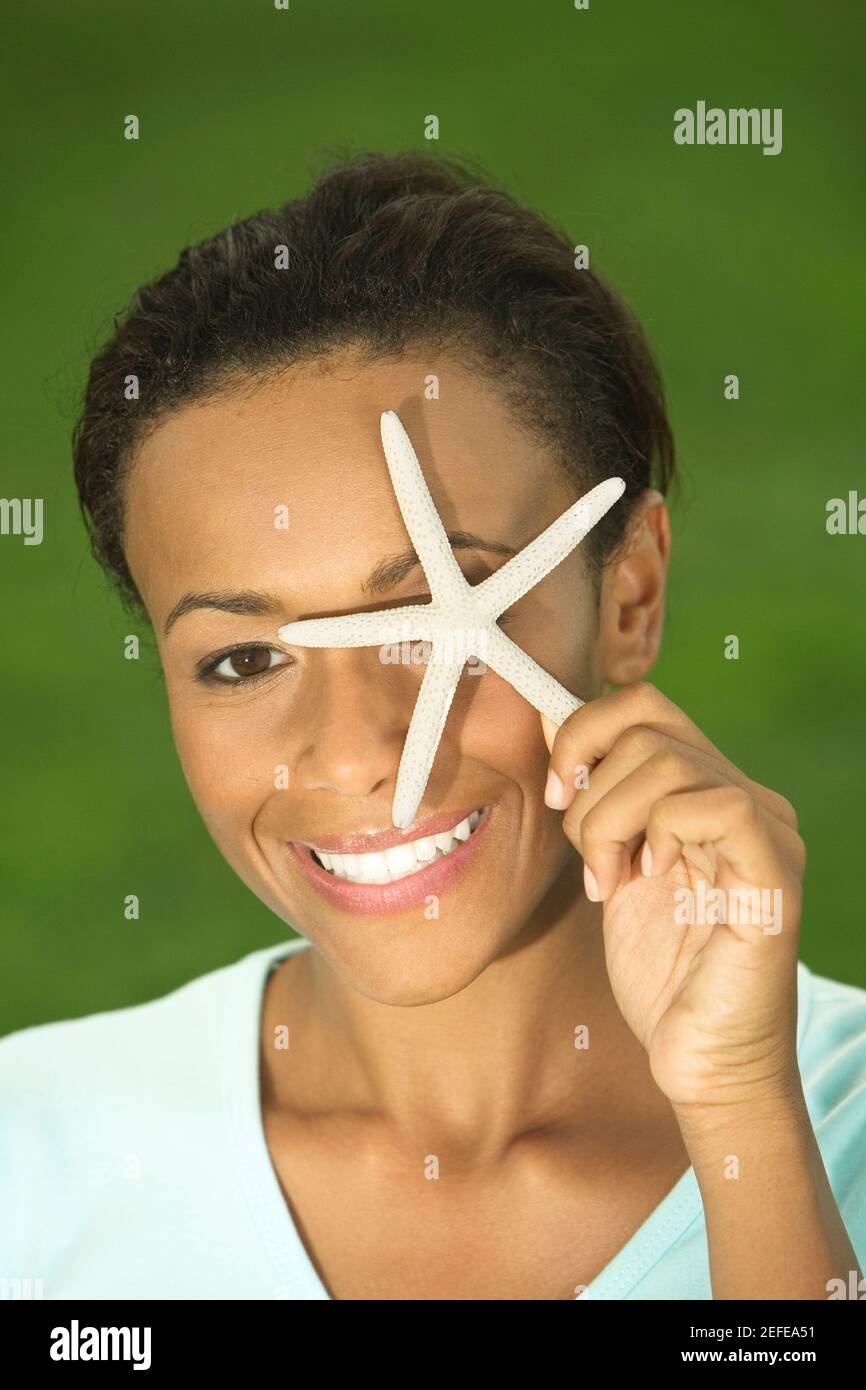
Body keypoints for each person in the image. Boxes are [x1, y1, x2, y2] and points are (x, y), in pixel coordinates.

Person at [1, 150, 864, 1301]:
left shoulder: (827, 1131)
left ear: (627, 594)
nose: (356, 751)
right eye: (243, 657)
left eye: (427, 612)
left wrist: (739, 1103)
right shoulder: (34, 1158)